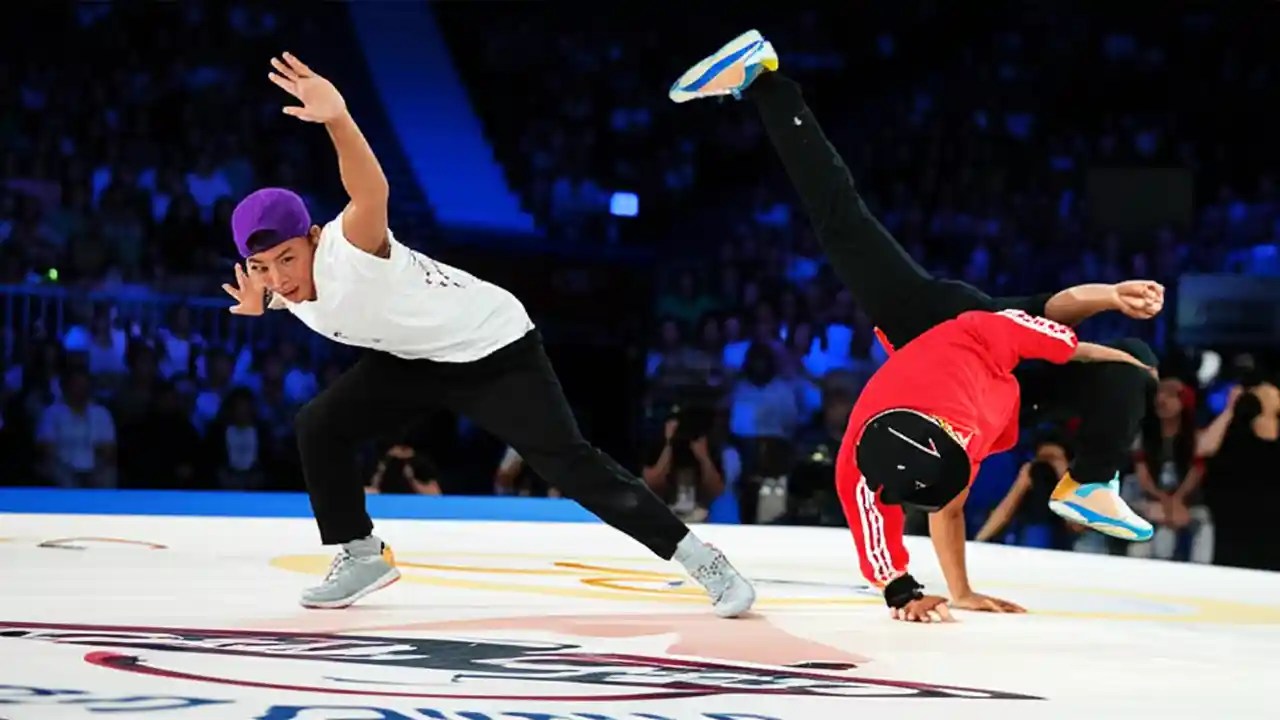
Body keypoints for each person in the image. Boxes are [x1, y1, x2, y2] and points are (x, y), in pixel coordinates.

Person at [220, 52, 755, 617]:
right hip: (414, 357)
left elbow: (370, 190)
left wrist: (339, 119)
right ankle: (360, 554)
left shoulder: (350, 247)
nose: (279, 276)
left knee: (567, 463)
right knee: (319, 426)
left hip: (491, 346)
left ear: (313, 236)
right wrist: (265, 301)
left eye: (286, 259)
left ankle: (704, 561)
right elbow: (280, 289)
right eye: (262, 268)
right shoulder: (278, 286)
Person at [670, 31, 1159, 621]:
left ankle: (1089, 480)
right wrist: (931, 592)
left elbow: (1053, 323)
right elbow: (938, 512)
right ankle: (769, 81)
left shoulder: (967, 343)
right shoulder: (893, 453)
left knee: (1128, 356)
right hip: (980, 370)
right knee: (1126, 360)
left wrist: (1112, 304)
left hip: (952, 327)